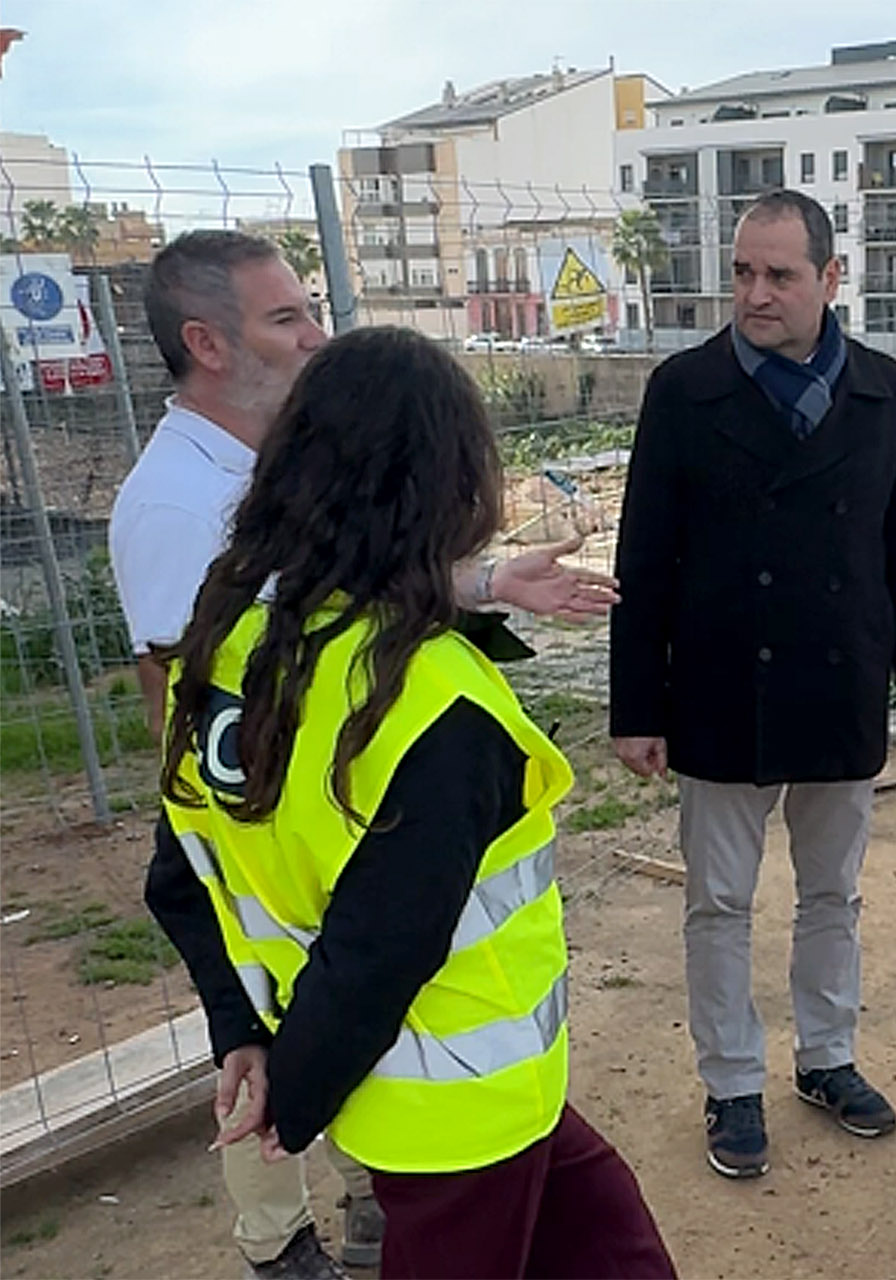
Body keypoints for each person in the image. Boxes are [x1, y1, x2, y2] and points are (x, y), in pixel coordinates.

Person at [111, 229, 618, 1278]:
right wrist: (286, 1096)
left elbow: (183, 866)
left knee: (619, 1247)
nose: (309, 328)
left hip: (444, 1085)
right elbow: (379, 944)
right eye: (286, 315)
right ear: (445, 489)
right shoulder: (435, 701)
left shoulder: (234, 640)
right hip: (457, 1102)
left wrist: (249, 1035)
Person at [609, 188, 896, 1180]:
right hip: (719, 688)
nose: (755, 294)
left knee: (832, 893)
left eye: (780, 274)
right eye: (744, 272)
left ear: (831, 279)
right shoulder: (684, 389)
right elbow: (646, 556)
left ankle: (827, 1055)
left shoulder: (887, 392)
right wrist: (638, 706)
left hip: (839, 688)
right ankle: (731, 1079)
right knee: (719, 900)